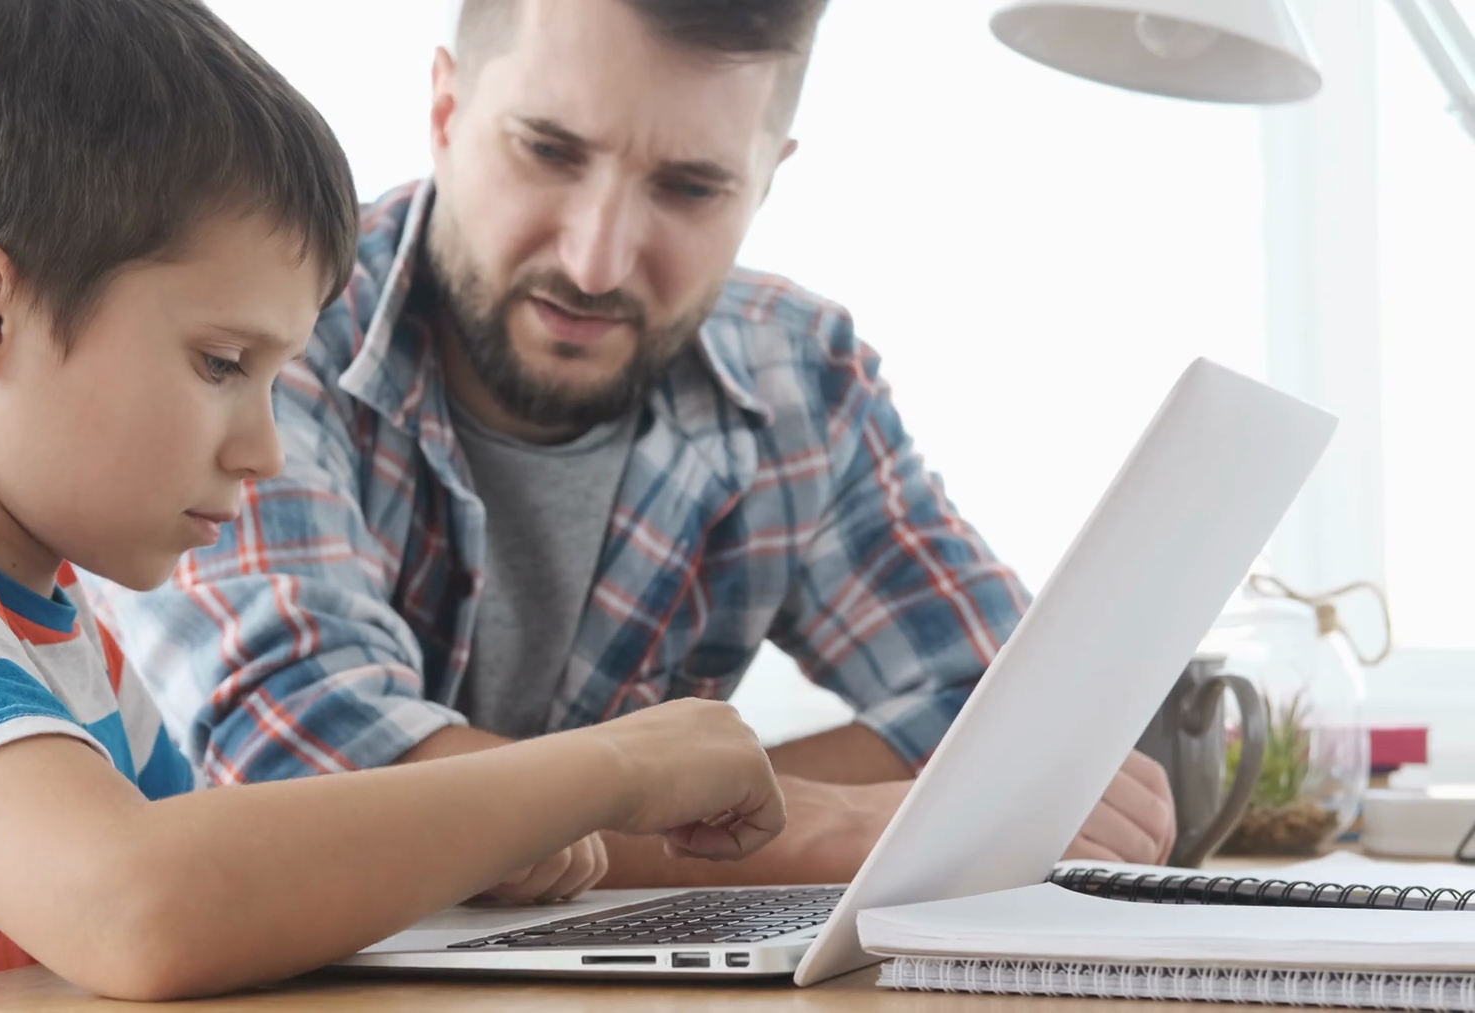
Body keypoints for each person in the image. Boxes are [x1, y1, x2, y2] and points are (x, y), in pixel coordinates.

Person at [0, 2, 786, 1009]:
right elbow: (140, 905)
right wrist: (608, 768)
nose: (263, 447)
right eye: (221, 362)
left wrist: (460, 847)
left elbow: (234, 903)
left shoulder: (66, 642)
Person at [91, 0, 1178, 904]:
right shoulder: (265, 341)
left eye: (690, 187)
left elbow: (1004, 723)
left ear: (768, 180)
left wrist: (642, 804)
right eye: (549, 152)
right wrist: (833, 823)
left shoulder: (803, 371)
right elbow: (306, 773)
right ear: (445, 107)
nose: (598, 258)